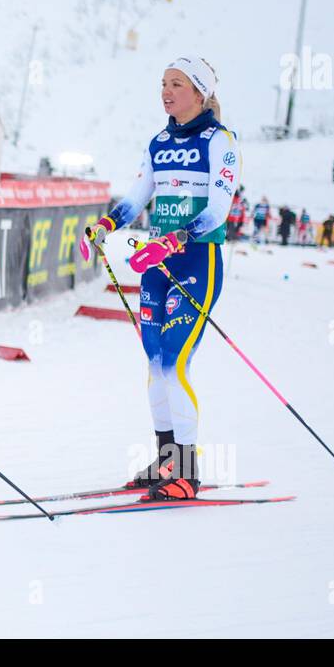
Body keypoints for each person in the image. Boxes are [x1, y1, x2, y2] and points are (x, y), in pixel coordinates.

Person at [82, 55, 239, 500]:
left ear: (200, 92)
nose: (166, 92)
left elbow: (217, 210)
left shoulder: (220, 141)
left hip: (196, 263)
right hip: (156, 265)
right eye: (163, 84)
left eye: (176, 84)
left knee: (174, 361)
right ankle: (167, 458)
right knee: (154, 366)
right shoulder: (159, 143)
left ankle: (188, 472)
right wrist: (107, 225)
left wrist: (177, 240)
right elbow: (137, 197)